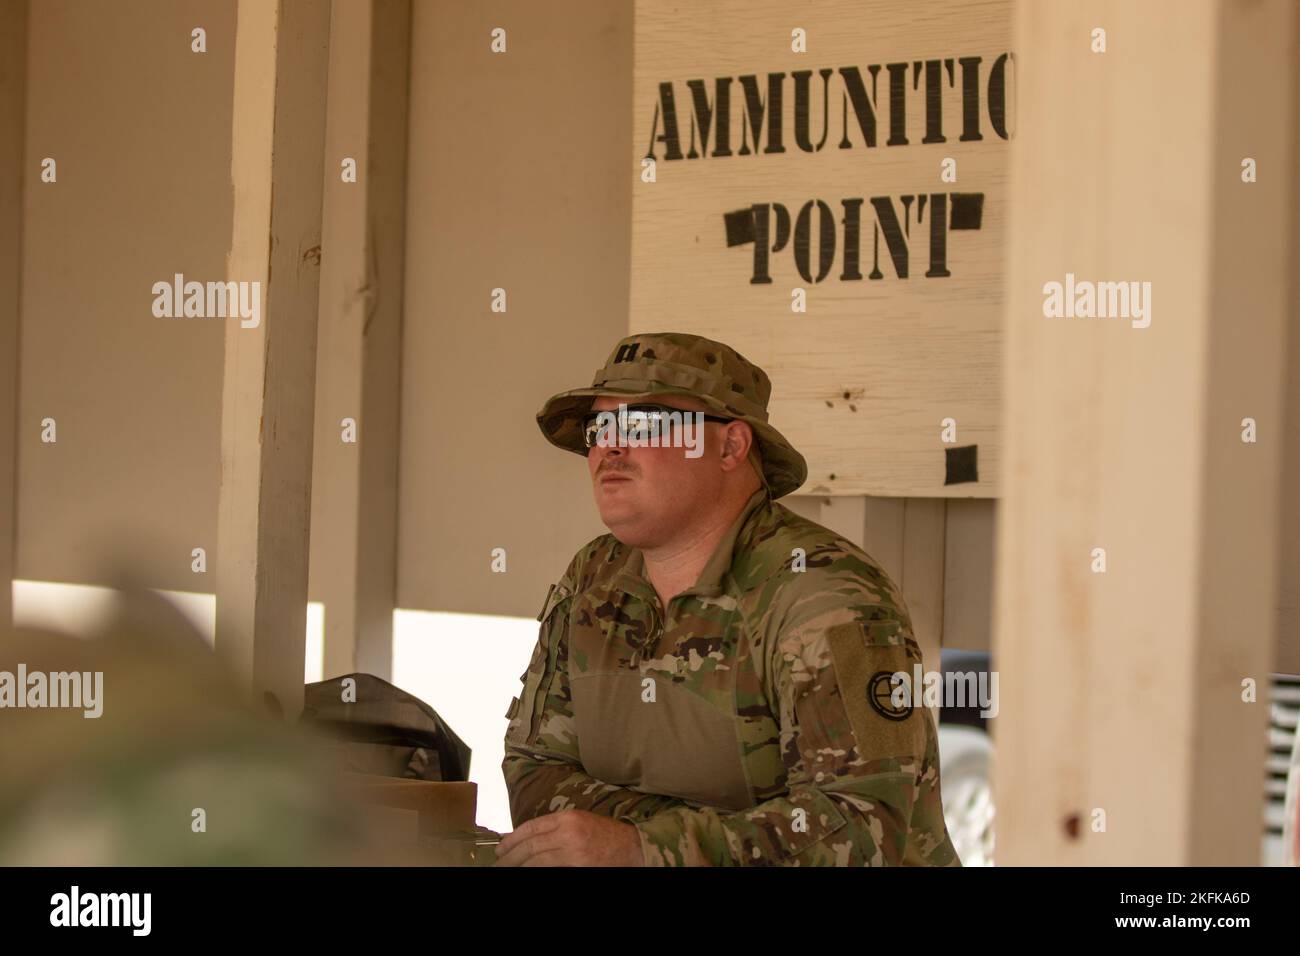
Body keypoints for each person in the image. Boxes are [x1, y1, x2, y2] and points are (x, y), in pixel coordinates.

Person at [496, 332, 960, 867]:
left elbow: (864, 823)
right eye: (600, 427)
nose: (610, 447)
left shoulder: (831, 593)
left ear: (731, 446)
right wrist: (638, 848)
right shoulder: (593, 576)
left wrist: (646, 851)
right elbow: (533, 768)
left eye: (643, 424)